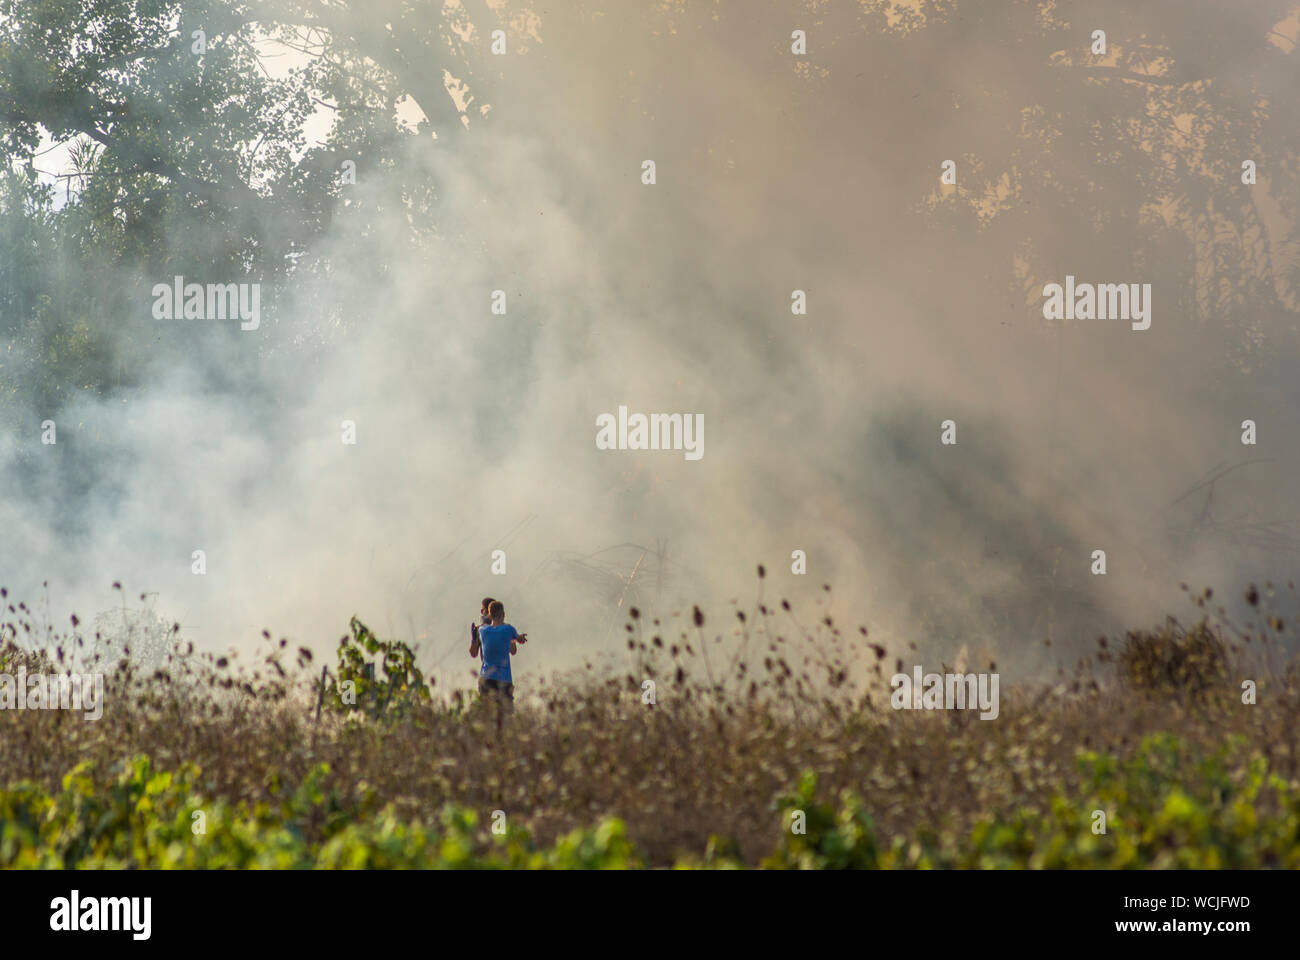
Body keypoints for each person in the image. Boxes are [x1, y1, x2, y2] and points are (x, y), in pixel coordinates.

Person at [469, 600, 527, 719]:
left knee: (486, 716)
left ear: (489, 614)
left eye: (484, 611)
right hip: (503, 679)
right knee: (505, 716)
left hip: (486, 678)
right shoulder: (507, 629)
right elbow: (516, 642)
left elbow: (513, 649)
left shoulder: (482, 630)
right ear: (503, 614)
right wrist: (518, 638)